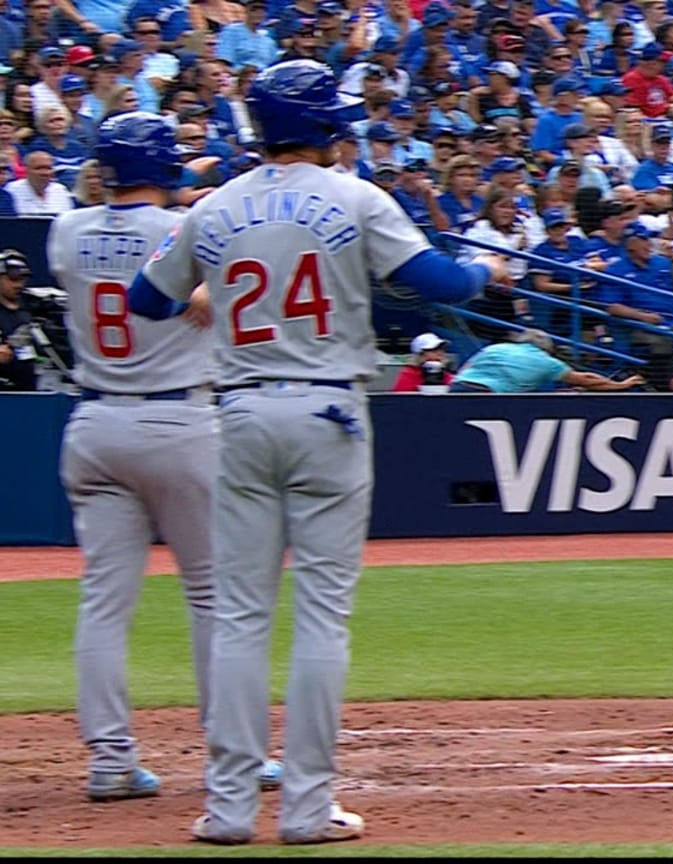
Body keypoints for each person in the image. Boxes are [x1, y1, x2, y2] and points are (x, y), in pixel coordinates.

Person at [128, 59, 509, 846]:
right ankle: (305, 810)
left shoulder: (217, 204)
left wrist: (211, 289)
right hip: (327, 408)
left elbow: (146, 298)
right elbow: (439, 281)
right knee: (321, 620)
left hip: (237, 410)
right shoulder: (355, 195)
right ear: (328, 127)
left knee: (238, 618)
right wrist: (486, 268)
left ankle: (229, 810)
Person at [48, 113, 285, 803]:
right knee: (215, 595)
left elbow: (131, 227)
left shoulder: (67, 231)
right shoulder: (193, 229)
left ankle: (110, 761)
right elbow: (206, 269)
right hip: (179, 420)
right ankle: (235, 756)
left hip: (93, 421)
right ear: (163, 168)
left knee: (103, 603)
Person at [447, 329, 646, 393]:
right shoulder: (548, 362)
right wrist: (620, 385)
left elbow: (466, 368)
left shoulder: (495, 348)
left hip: (456, 388)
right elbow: (587, 379)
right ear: (547, 348)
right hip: (486, 396)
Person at [0, 248, 39, 392]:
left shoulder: (33, 308)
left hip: (30, 393)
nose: (19, 285)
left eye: (23, 279)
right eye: (12, 279)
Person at [392, 332, 456, 392]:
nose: (440, 354)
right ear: (420, 355)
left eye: (441, 349)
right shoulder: (409, 374)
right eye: (433, 351)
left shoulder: (447, 375)